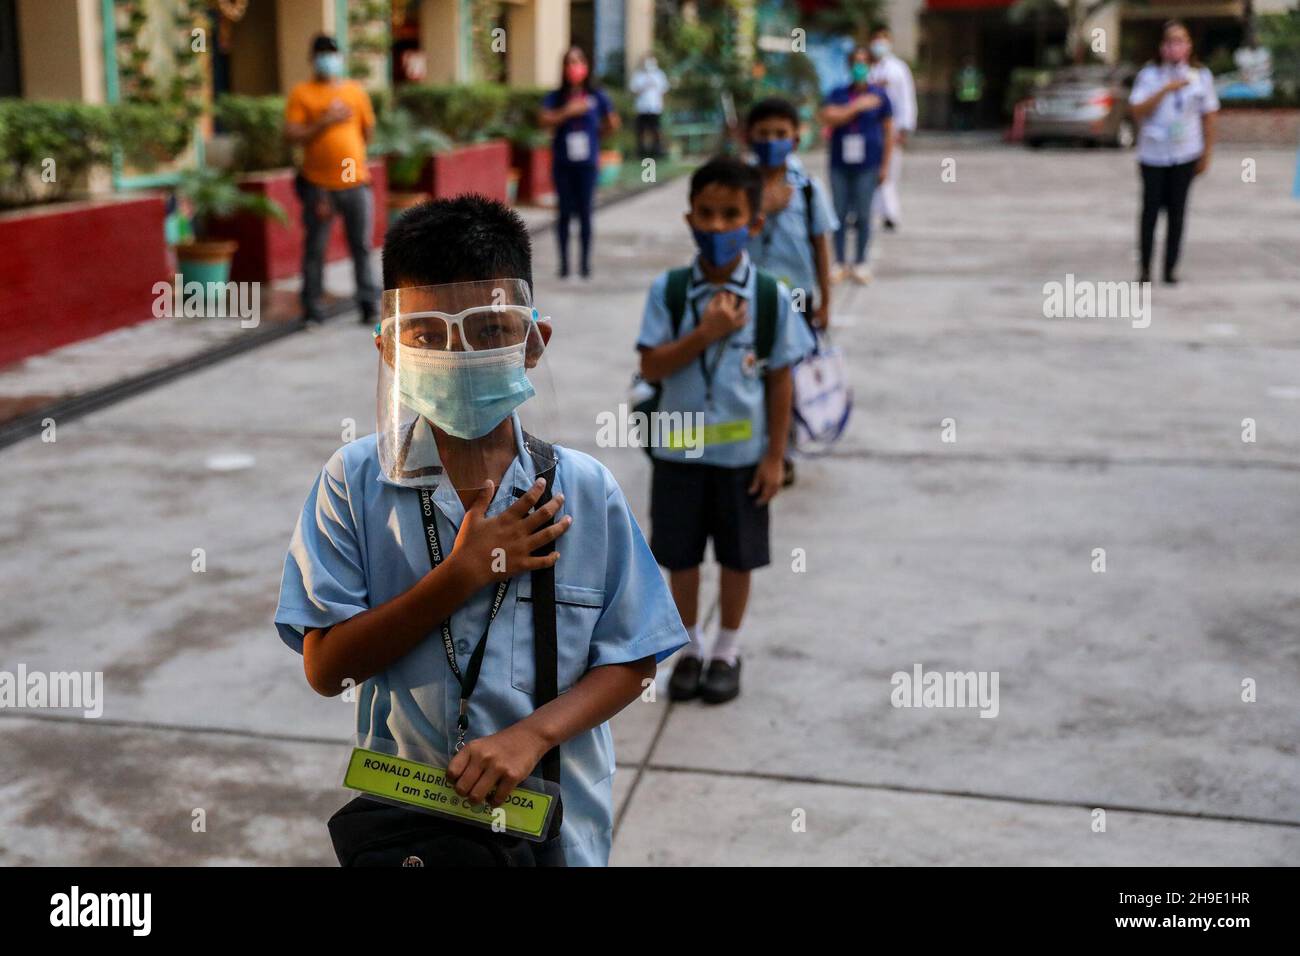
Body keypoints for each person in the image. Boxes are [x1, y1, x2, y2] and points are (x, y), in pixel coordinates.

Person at [274, 195, 687, 867]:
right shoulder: (353, 482)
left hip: (555, 828)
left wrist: (533, 735)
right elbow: (326, 667)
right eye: (428, 335)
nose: (459, 354)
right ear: (388, 348)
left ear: (533, 342)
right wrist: (461, 573)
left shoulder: (582, 489)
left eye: (490, 329)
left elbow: (636, 653)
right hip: (413, 828)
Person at [636, 158, 815, 704]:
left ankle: (726, 650)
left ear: (754, 223)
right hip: (678, 456)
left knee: (738, 558)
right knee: (682, 557)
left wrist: (774, 456)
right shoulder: (668, 292)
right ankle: (689, 648)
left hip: (742, 459)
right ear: (689, 218)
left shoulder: (769, 298)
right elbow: (651, 367)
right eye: (707, 214)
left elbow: (781, 381)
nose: (717, 226)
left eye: (731, 215)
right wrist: (706, 333)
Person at [284, 34, 379, 325]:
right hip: (319, 186)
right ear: (312, 59)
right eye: (322, 54)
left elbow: (367, 131)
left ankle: (368, 304)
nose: (328, 59)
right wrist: (324, 122)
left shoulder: (355, 91)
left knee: (361, 246)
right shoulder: (302, 93)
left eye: (332, 53)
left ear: (340, 57)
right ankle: (312, 309)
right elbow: (291, 134)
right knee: (316, 248)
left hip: (355, 184)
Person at [1128, 20, 1219, 285]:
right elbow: (1137, 111)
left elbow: (1210, 117)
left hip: (1185, 153)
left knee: (1177, 213)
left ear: (1189, 46)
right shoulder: (1149, 75)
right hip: (1153, 154)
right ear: (1162, 46)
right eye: (1170, 42)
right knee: (1150, 212)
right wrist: (1166, 89)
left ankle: (1170, 269)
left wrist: (1207, 153)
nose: (1175, 47)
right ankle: (1144, 269)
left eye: (1180, 41)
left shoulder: (1200, 76)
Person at [539, 46, 620, 281]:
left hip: (587, 164)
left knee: (585, 213)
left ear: (586, 65)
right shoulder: (557, 97)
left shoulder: (597, 96)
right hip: (563, 163)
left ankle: (585, 265)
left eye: (578, 61)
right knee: (564, 213)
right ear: (563, 67)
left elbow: (613, 122)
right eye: (569, 62)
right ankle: (564, 265)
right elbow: (544, 119)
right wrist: (567, 111)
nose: (574, 66)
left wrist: (598, 135)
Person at [818, 47, 893, 285]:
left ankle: (860, 262)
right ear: (849, 66)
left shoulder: (880, 96)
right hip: (840, 164)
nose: (859, 66)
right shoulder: (838, 93)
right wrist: (858, 106)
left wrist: (884, 166)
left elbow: (889, 133)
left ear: (870, 65)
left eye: (864, 62)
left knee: (863, 214)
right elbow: (829, 116)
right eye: (855, 62)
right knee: (838, 214)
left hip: (868, 164)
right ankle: (839, 262)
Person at [866, 26, 916, 232]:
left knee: (889, 171)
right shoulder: (867, 68)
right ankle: (870, 212)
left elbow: (906, 99)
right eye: (876, 39)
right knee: (869, 171)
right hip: (869, 128)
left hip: (891, 128)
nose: (879, 44)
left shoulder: (898, 68)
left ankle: (890, 213)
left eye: (883, 39)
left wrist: (904, 127)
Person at [629, 53, 670, 159]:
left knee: (655, 130)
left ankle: (657, 150)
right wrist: (644, 86)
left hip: (655, 108)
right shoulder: (638, 75)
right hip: (642, 108)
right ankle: (642, 151)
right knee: (641, 131)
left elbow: (663, 90)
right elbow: (634, 90)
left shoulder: (659, 75)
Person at [953, 57, 983, 131]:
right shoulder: (962, 73)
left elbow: (981, 83)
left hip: (972, 96)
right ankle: (964, 126)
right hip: (964, 96)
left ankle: (970, 126)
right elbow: (956, 83)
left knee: (970, 113)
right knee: (964, 113)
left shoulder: (976, 73)